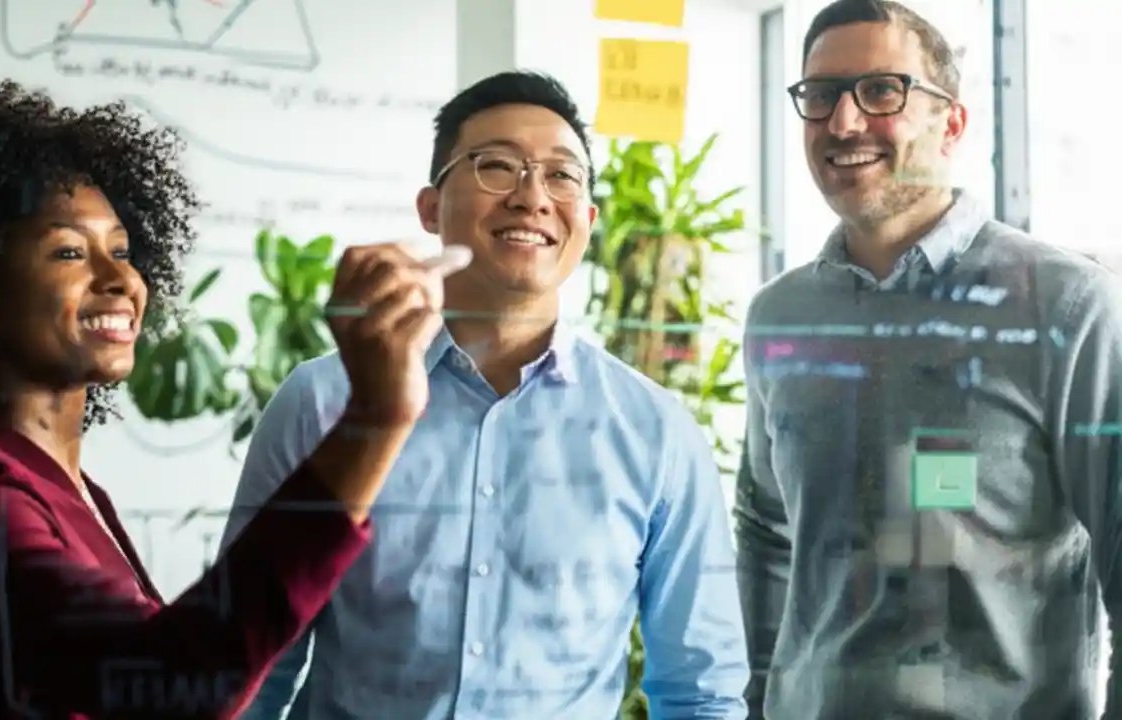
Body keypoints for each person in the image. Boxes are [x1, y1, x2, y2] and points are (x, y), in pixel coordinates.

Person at [0, 80, 470, 719]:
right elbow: (170, 683)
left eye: (120, 250)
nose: (120, 278)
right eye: (68, 252)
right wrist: (376, 416)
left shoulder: (66, 490)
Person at [221, 70, 750, 720]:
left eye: (562, 175)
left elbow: (701, 693)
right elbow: (250, 665)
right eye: (497, 166)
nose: (533, 197)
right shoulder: (321, 402)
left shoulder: (656, 431)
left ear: (588, 220)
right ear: (430, 207)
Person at [734, 1, 1122, 718]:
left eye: (882, 90)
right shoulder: (780, 317)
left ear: (953, 123)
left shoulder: (1066, 306)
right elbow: (767, 533)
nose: (843, 121)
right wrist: (758, 700)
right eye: (821, 94)